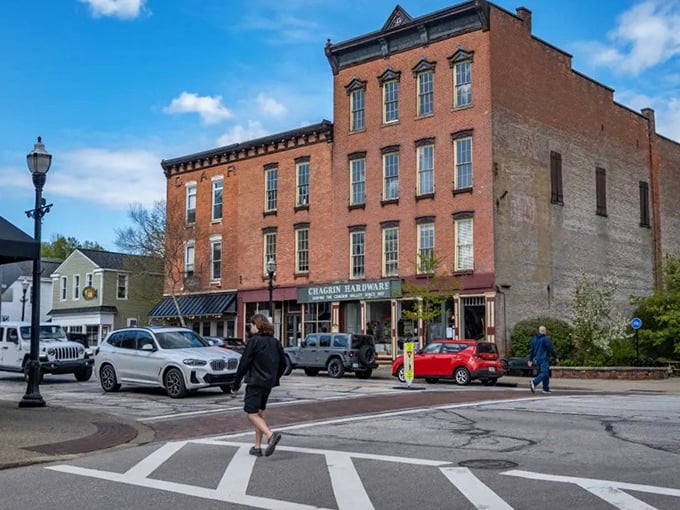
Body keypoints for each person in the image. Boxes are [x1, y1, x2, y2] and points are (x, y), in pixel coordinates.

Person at [230, 313, 287, 457]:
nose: (250, 328)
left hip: (255, 382)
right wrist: (274, 378)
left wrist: (236, 383)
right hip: (268, 383)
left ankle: (271, 435)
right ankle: (257, 447)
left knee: (251, 414)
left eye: (252, 325)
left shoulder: (253, 341)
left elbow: (244, 363)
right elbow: (283, 364)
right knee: (259, 414)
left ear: (257, 326)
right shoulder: (275, 342)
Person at [528, 325, 557, 394]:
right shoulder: (546, 339)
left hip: (537, 359)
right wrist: (555, 357)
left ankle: (545, 388)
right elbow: (550, 349)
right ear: (544, 331)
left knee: (546, 374)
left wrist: (530, 360)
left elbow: (531, 350)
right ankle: (534, 382)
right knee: (544, 373)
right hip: (543, 358)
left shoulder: (534, 339)